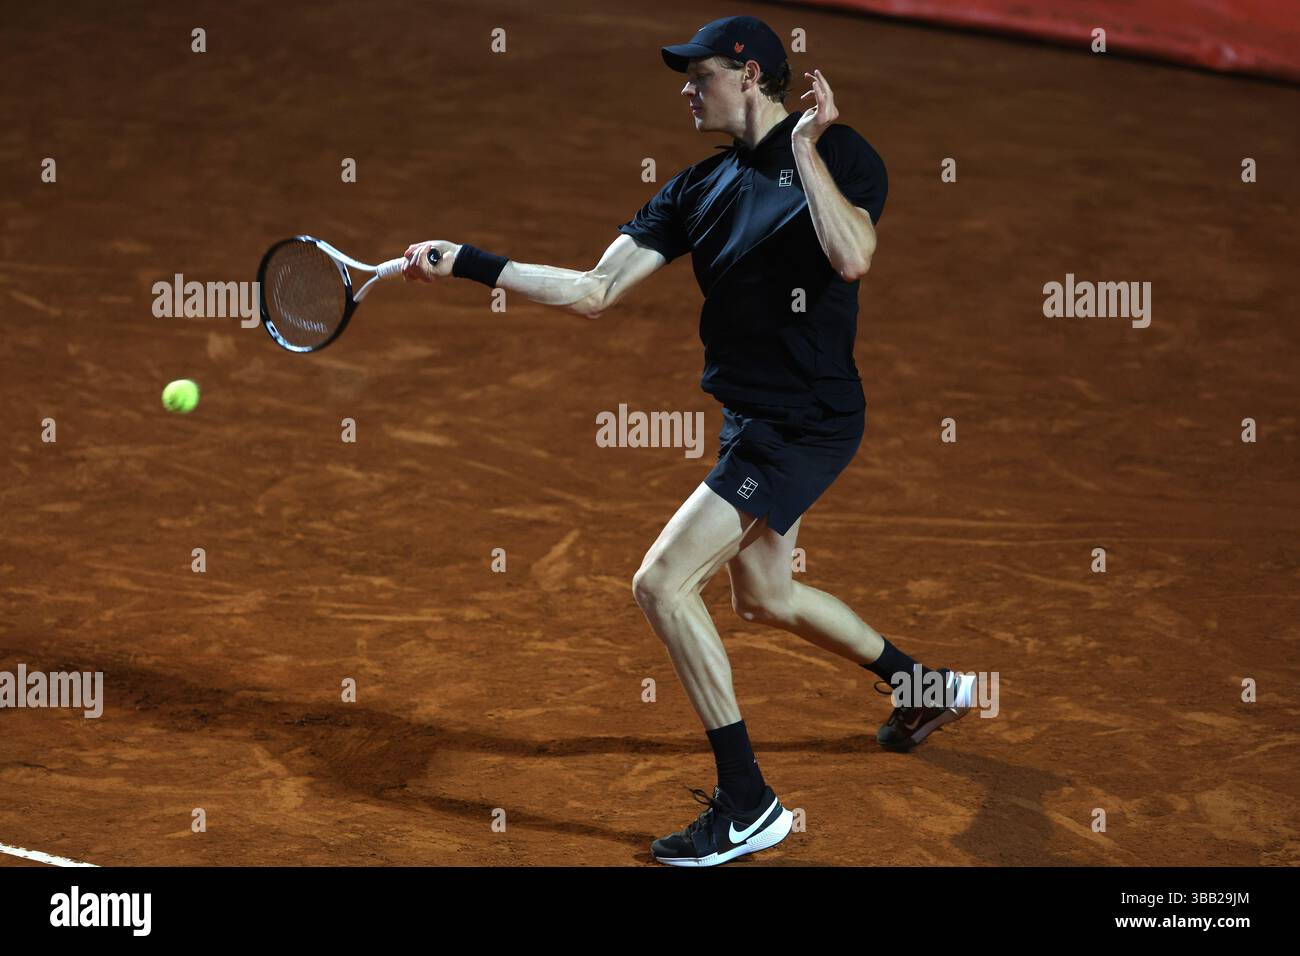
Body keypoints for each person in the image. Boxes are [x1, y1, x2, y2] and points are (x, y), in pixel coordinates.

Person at [401, 14, 976, 867]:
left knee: (663, 584)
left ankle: (749, 805)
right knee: (764, 598)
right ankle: (923, 687)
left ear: (750, 75)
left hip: (803, 420)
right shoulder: (693, 191)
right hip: (751, 417)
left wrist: (807, 148)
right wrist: (472, 263)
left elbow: (852, 257)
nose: (685, 87)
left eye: (698, 73)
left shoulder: (844, 154)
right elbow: (596, 290)